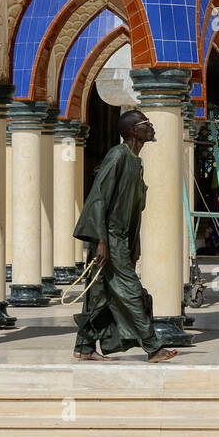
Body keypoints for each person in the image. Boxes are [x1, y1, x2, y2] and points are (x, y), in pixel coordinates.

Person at [72, 108, 180, 363]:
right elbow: (99, 197)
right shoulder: (118, 154)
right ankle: (153, 346)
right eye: (146, 123)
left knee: (99, 293)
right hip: (110, 238)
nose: (151, 126)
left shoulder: (135, 161)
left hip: (123, 239)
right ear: (133, 131)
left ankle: (84, 346)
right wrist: (101, 241)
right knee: (131, 291)